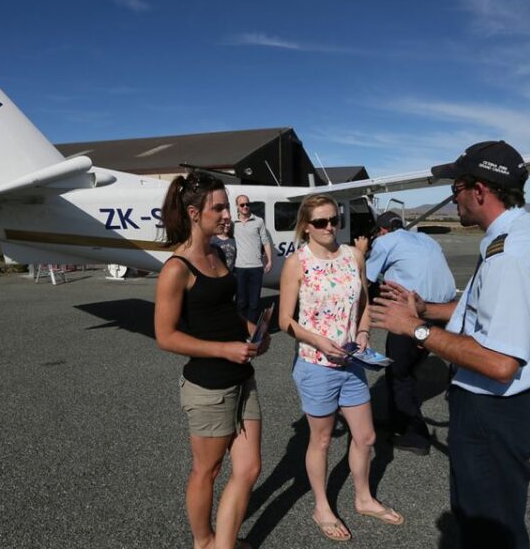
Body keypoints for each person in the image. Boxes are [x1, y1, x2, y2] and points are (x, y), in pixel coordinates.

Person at [371, 141, 530, 549]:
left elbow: (501, 362)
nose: (454, 201)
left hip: (493, 411)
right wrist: (426, 308)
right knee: (493, 526)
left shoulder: (511, 258)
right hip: (502, 412)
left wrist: (414, 328)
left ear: (480, 191)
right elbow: (486, 313)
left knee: (488, 534)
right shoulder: (523, 239)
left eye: (457, 190)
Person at [279, 193, 404, 543]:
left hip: (352, 363)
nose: (330, 227)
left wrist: (363, 331)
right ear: (306, 226)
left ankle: (363, 498)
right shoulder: (297, 263)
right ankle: (321, 505)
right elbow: (284, 319)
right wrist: (317, 341)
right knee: (320, 440)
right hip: (316, 365)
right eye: (321, 222)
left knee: (365, 436)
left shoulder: (353, 255)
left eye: (334, 220)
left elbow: (363, 300)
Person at [154, 172, 269, 549]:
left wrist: (251, 328)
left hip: (242, 375)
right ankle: (204, 541)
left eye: (227, 206)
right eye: (218, 208)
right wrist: (224, 349)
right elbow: (165, 337)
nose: (227, 215)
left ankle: (224, 542)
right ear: (193, 212)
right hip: (209, 388)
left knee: (250, 467)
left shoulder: (218, 252)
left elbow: (224, 309)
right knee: (209, 470)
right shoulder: (176, 269)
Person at [364, 211, 456, 455]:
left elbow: (367, 278)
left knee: (399, 373)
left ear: (382, 230)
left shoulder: (384, 241)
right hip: (441, 313)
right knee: (405, 370)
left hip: (412, 315)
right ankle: (398, 422)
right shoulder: (426, 239)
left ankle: (416, 436)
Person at [233, 195, 273, 323]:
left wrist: (269, 260)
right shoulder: (232, 223)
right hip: (239, 268)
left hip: (256, 267)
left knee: (254, 302)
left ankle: (251, 329)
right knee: (241, 301)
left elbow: (265, 242)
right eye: (242, 205)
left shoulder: (259, 221)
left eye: (247, 204)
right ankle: (240, 328)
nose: (245, 207)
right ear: (237, 206)